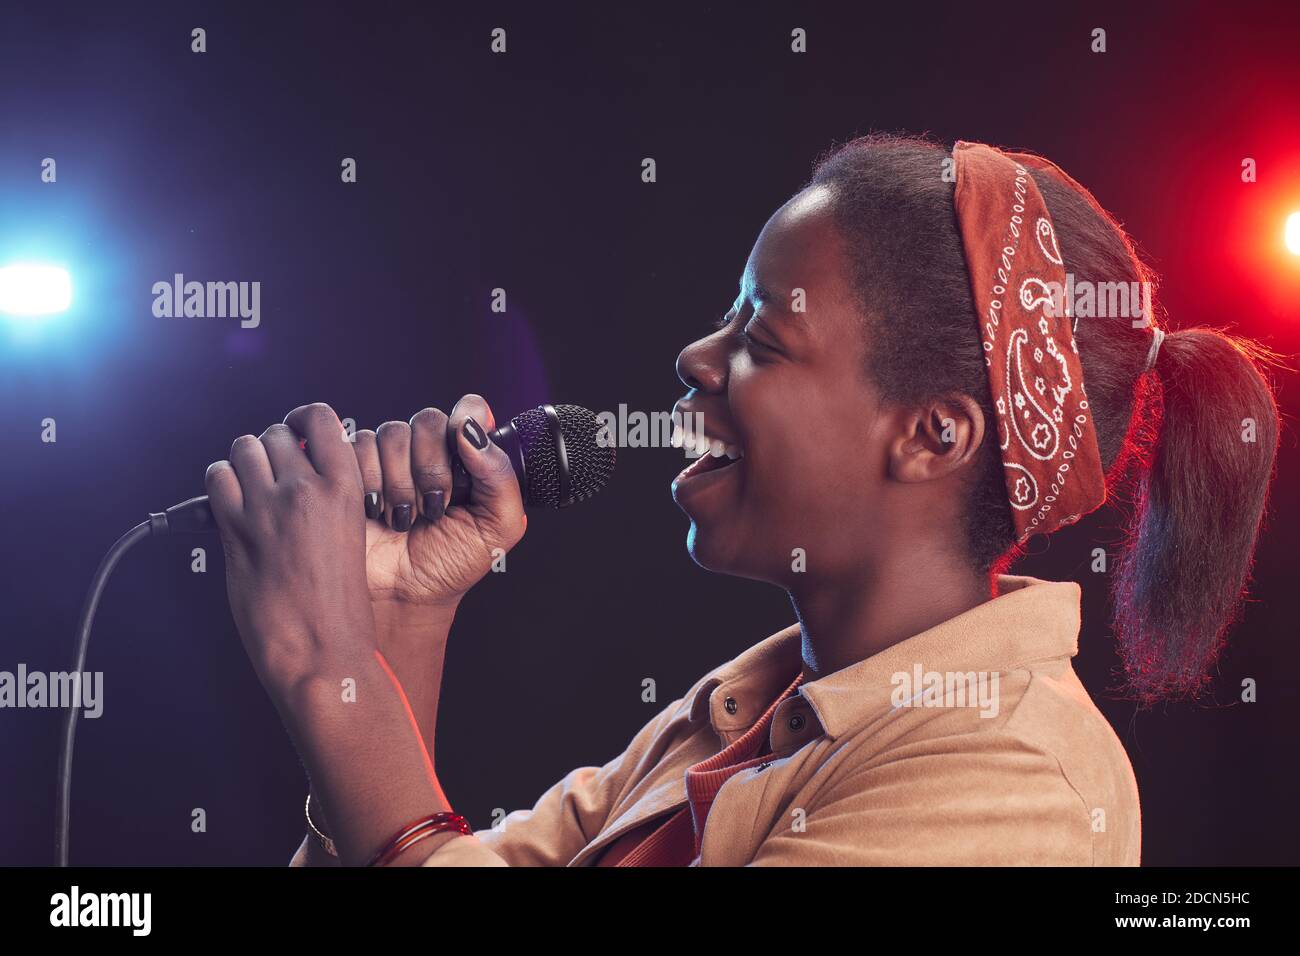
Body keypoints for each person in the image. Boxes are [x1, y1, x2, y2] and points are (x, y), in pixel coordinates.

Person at [204, 134, 1279, 867]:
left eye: (763, 336)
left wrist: (327, 665)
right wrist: (398, 626)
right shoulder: (746, 713)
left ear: (931, 434)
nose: (693, 355)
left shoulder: (1017, 782)